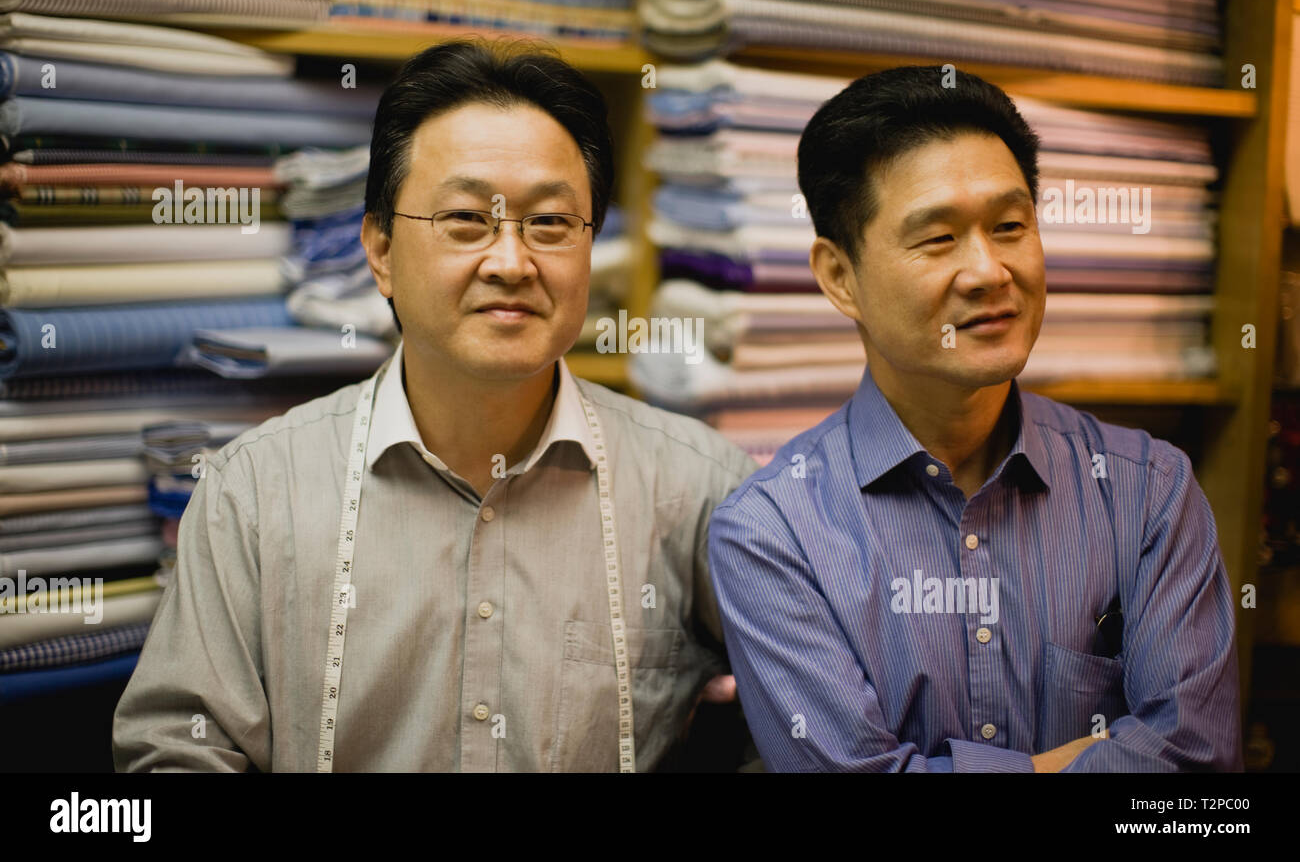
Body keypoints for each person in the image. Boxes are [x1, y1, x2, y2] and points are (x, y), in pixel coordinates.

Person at [113, 40, 758, 772]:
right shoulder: (256, 494)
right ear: (381, 250)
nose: (511, 262)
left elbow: (807, 730)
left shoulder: (701, 488)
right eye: (465, 220)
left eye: (549, 223)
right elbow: (173, 752)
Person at [707, 65, 1242, 772]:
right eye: (937, 239)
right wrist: (1086, 758)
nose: (989, 271)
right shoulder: (774, 534)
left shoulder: (1148, 492)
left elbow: (1195, 769)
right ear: (839, 276)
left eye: (1010, 226)